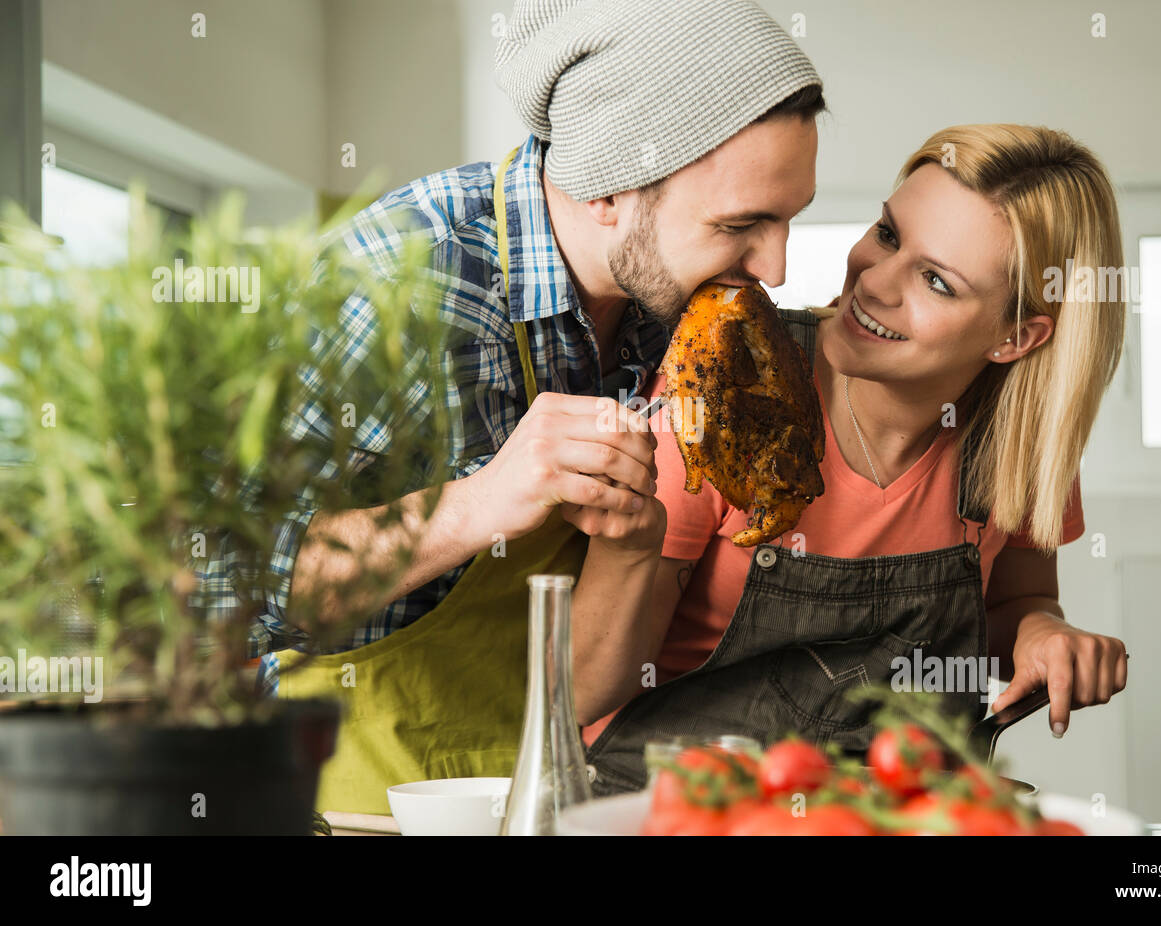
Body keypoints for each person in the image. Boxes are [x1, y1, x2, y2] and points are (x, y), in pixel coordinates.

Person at [193, 0, 825, 815]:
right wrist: (480, 503)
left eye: (787, 220)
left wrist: (634, 550)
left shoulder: (670, 306)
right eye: (743, 224)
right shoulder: (401, 281)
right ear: (607, 190)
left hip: (539, 796)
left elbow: (595, 669)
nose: (772, 267)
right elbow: (215, 581)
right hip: (335, 803)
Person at [569, 124, 1131, 795]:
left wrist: (1043, 632)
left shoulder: (1019, 442)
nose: (875, 283)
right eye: (889, 235)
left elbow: (1018, 599)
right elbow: (578, 693)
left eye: (936, 282)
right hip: (676, 804)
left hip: (891, 808)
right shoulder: (736, 386)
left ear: (1015, 337)